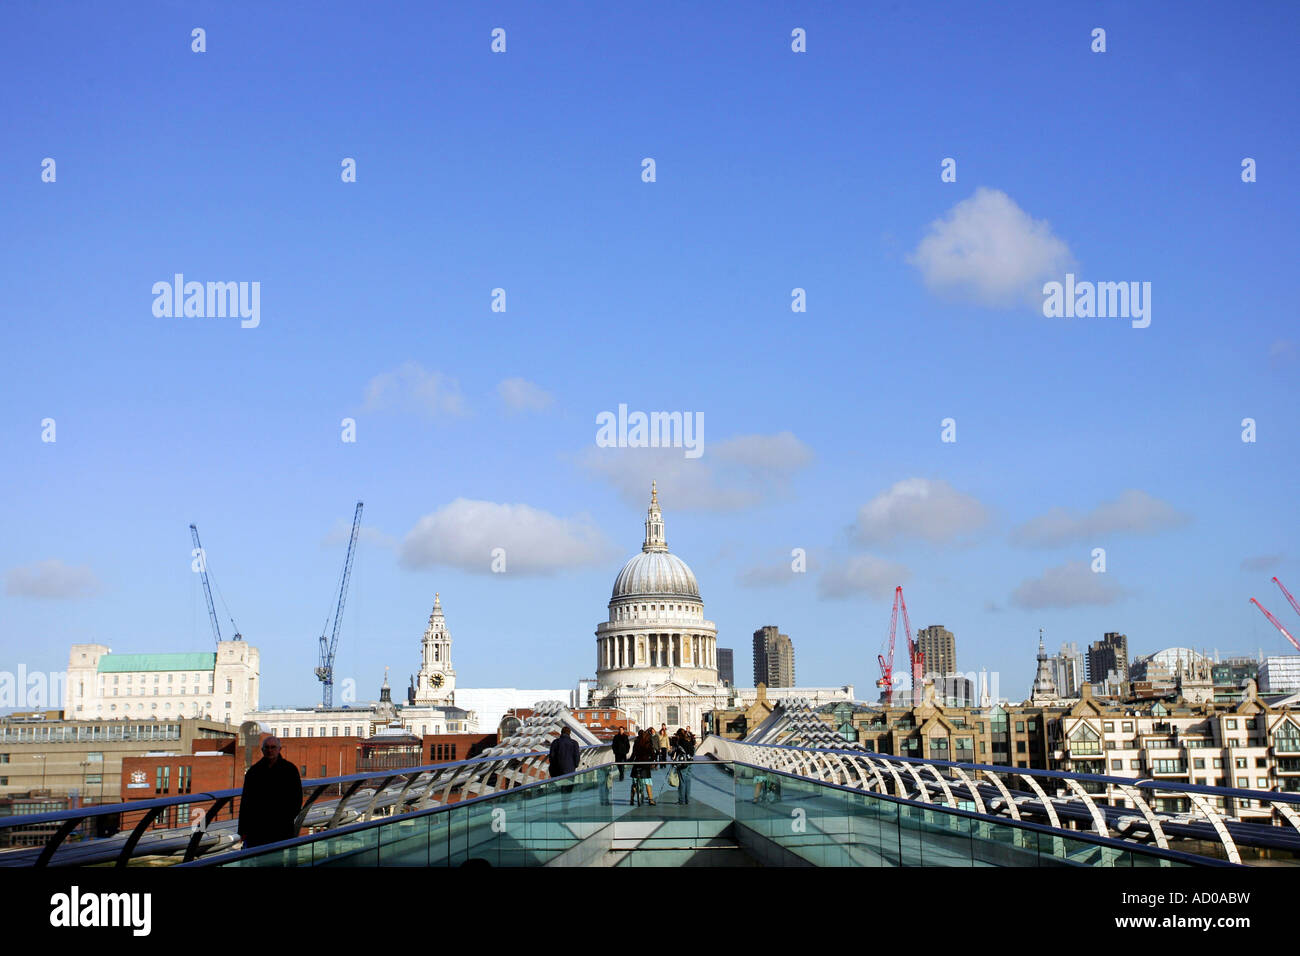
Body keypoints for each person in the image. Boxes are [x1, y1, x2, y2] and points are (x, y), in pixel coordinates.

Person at [237, 736, 303, 849]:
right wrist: (243, 830)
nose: (270, 750)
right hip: (257, 829)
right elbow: (246, 803)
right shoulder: (253, 772)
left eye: (273, 747)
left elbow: (297, 799)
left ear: (279, 749)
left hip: (281, 827)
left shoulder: (290, 770)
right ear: (262, 750)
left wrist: (285, 819)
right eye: (267, 747)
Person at [630, 729, 656, 806]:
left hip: (637, 763)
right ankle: (651, 800)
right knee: (648, 782)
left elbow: (633, 754)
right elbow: (652, 754)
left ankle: (631, 799)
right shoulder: (648, 743)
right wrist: (652, 761)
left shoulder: (636, 742)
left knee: (634, 782)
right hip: (645, 764)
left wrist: (630, 760)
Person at [673, 728, 694, 805]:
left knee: (682, 781)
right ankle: (687, 799)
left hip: (682, 764)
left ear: (679, 735)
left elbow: (676, 754)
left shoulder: (680, 743)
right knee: (688, 781)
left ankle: (681, 800)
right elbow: (692, 752)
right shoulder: (689, 742)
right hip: (690, 763)